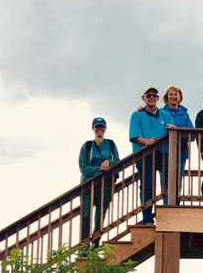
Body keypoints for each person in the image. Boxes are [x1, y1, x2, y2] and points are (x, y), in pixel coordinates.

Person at [128, 86, 168, 224]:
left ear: (157, 98)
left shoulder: (165, 115)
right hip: (144, 155)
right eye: (148, 95)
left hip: (163, 153)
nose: (151, 97)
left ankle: (166, 214)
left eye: (154, 95)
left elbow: (173, 131)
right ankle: (147, 218)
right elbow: (135, 136)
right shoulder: (136, 115)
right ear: (143, 98)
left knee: (169, 183)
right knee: (147, 186)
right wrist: (147, 142)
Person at [78, 117, 120, 243]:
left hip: (106, 184)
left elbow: (117, 161)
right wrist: (100, 169)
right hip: (88, 185)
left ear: (105, 129)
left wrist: (109, 162)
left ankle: (95, 244)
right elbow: (83, 167)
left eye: (102, 127)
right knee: (86, 215)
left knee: (100, 216)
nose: (99, 129)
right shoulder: (87, 146)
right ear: (93, 129)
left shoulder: (111, 144)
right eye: (97, 127)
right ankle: (84, 247)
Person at [159, 86, 193, 169]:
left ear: (180, 97)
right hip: (164, 151)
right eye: (170, 94)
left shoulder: (185, 114)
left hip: (181, 152)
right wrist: (142, 109)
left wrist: (178, 131)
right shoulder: (160, 112)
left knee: (178, 179)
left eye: (176, 94)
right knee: (164, 180)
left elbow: (192, 136)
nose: (173, 96)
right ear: (167, 97)